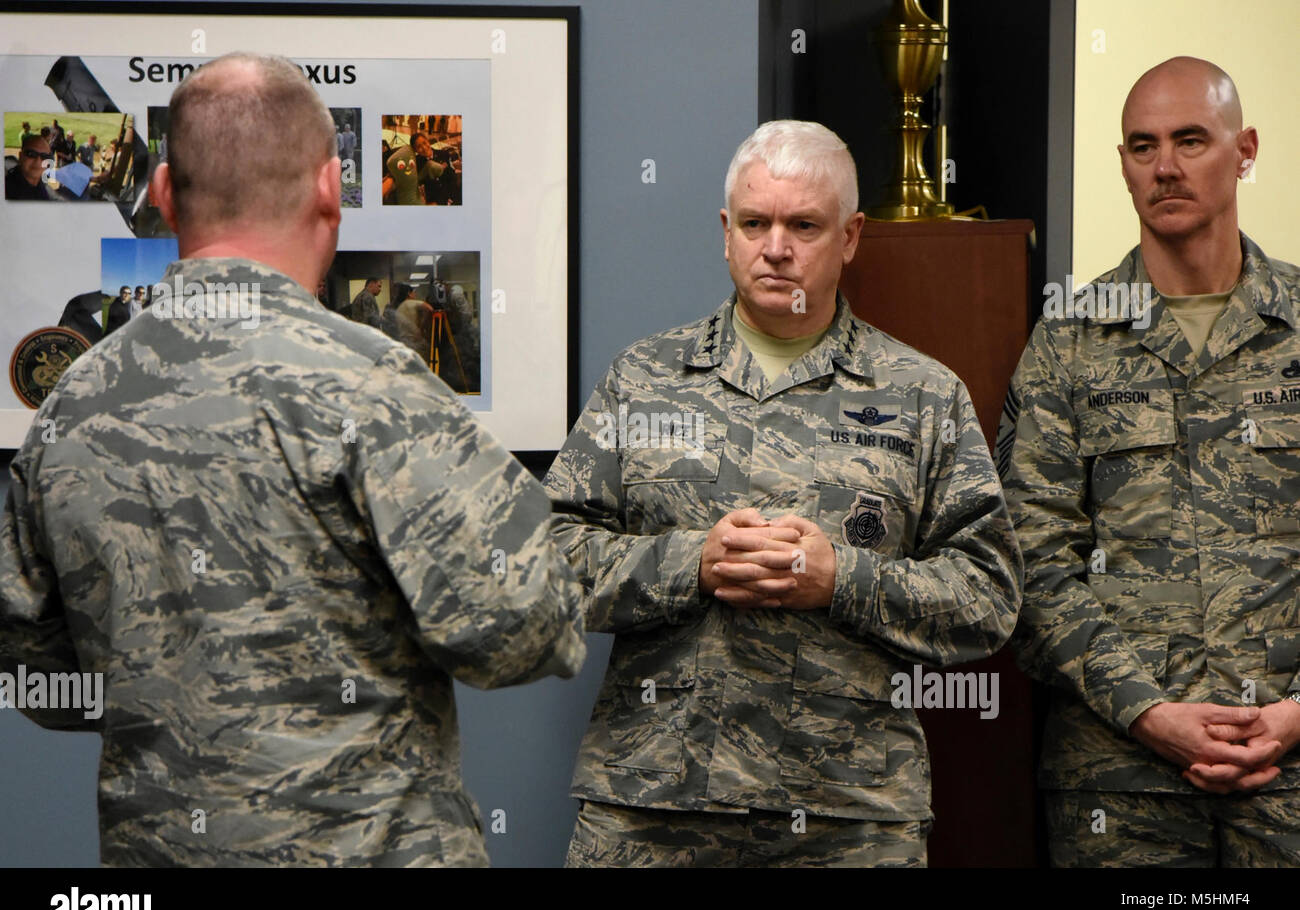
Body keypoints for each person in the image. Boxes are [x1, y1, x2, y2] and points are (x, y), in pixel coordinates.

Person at [0, 51, 586, 867]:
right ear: (328, 187)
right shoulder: (379, 386)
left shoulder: (72, 402)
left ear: (164, 194)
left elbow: (30, 661)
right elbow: (522, 627)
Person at [545, 120, 1022, 867]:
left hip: (848, 816)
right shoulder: (642, 380)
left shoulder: (924, 397)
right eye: (755, 222)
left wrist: (845, 581)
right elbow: (545, 565)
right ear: (725, 231)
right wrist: (691, 564)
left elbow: (989, 597)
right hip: (653, 808)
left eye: (804, 224)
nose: (776, 247)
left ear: (851, 235)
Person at [999, 56, 1300, 867]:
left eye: (1191, 140)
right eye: (1142, 146)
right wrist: (1145, 710)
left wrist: (1297, 712)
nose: (1164, 166)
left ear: (1246, 150)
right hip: (1121, 783)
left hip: (1293, 774)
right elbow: (1030, 563)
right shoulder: (1069, 341)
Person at [5, 133, 52, 200]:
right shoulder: (8, 192)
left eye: (44, 156)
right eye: (31, 154)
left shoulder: (39, 184)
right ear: (20, 156)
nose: (38, 161)